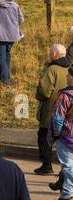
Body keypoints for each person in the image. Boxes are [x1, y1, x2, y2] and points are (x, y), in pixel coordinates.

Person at [35, 43, 71, 175]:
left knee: (44, 136)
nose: (50, 55)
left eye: (51, 53)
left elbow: (44, 91)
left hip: (51, 108)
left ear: (54, 55)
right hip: (67, 109)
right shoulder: (69, 68)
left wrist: (38, 95)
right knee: (63, 139)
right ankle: (64, 170)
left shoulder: (52, 69)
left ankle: (46, 165)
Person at [50, 66, 73, 200]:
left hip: (67, 135)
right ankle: (66, 195)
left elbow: (58, 117)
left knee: (67, 166)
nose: (66, 77)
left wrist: (56, 132)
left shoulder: (65, 95)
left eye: (68, 75)